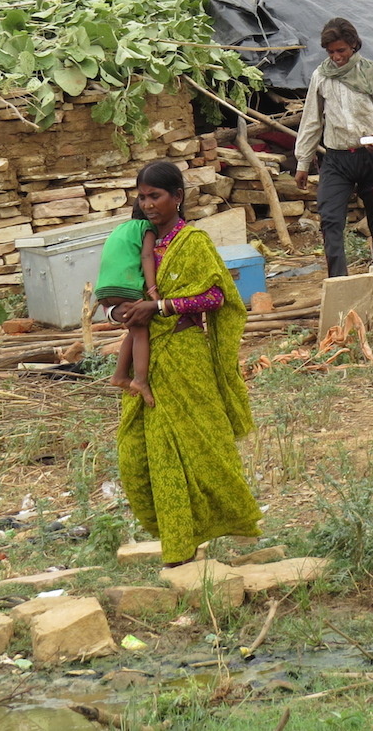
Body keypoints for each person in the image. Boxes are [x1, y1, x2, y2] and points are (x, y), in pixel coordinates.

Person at [112, 160, 259, 566]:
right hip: (147, 357)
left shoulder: (191, 242)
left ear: (177, 197)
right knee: (138, 454)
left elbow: (215, 296)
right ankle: (175, 533)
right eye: (141, 197)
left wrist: (158, 306)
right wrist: (121, 313)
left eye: (155, 196)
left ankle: (185, 546)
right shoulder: (133, 241)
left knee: (202, 447)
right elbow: (113, 292)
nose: (147, 204)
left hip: (184, 355)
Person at [294, 18, 373, 278]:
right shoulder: (321, 76)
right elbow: (311, 121)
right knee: (330, 218)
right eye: (331, 52)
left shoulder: (372, 72)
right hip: (336, 160)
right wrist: (302, 162)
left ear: (353, 45)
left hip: (371, 158)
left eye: (341, 50)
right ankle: (339, 281)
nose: (336, 57)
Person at [95, 215, 159, 407]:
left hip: (105, 290)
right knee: (141, 333)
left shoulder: (121, 228)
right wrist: (152, 289)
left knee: (134, 329)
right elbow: (147, 256)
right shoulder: (147, 227)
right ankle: (140, 380)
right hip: (125, 285)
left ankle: (120, 375)